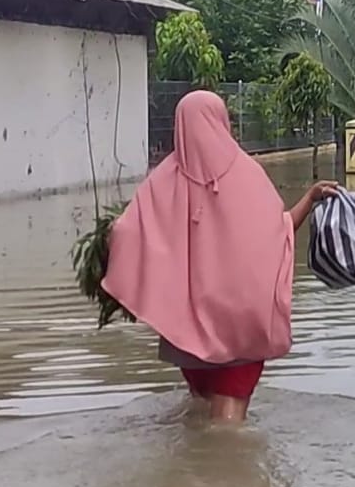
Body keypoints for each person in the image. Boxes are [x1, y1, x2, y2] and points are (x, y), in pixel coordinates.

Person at [103, 90, 338, 422]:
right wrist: (310, 198)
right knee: (227, 436)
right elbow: (279, 233)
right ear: (222, 121)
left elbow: (122, 235)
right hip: (242, 332)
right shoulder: (247, 174)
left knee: (198, 420)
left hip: (188, 343)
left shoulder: (161, 182)